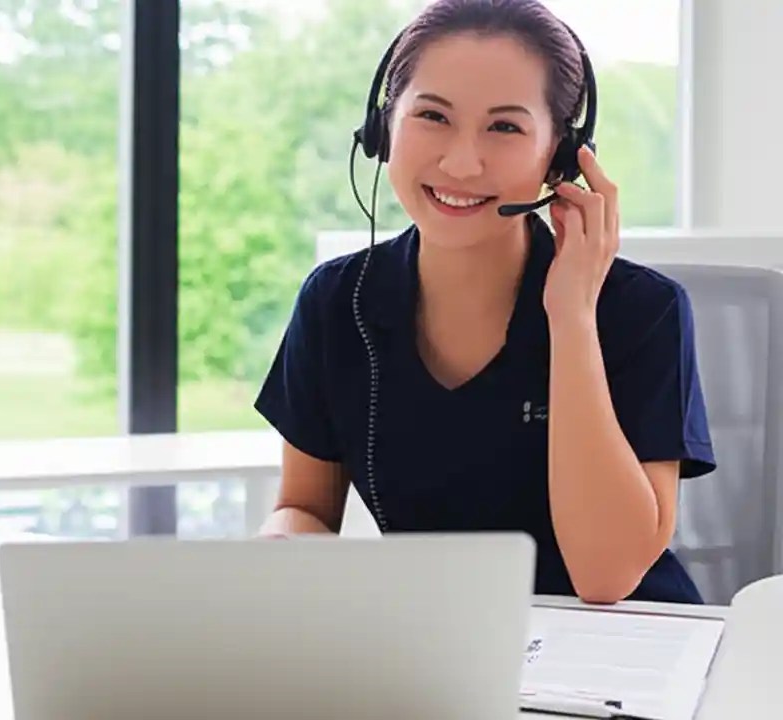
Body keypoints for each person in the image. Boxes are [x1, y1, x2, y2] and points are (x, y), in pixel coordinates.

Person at [253, 0, 716, 605]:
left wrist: (572, 317)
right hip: (436, 645)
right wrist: (278, 547)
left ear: (560, 156)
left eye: (505, 127)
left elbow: (605, 577)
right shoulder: (338, 301)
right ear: (382, 129)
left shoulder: (641, 311)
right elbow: (304, 509)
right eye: (432, 116)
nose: (461, 162)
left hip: (619, 657)